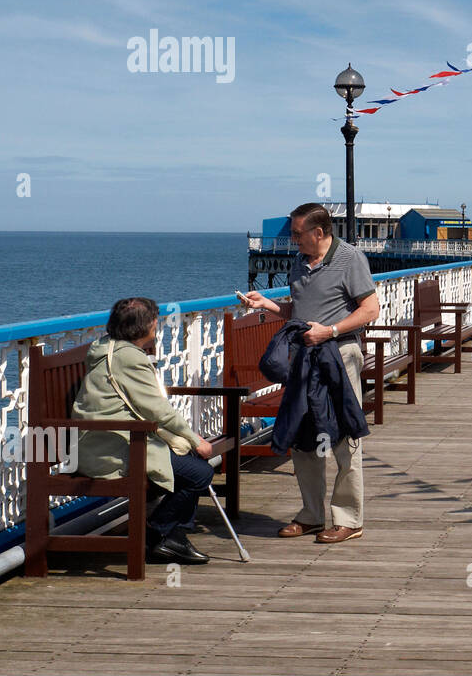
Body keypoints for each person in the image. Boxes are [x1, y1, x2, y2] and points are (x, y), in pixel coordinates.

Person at [242, 203, 379, 544]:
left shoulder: (350, 259)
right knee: (304, 438)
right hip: (304, 358)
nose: (292, 240)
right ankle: (312, 515)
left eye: (298, 234)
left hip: (339, 353)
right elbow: (299, 311)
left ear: (319, 233)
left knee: (345, 437)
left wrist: (330, 331)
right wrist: (268, 305)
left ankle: (349, 519)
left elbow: (371, 309)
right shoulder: (298, 263)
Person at [73, 297, 217, 564]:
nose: (157, 327)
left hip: (102, 440)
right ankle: (156, 534)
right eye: (155, 322)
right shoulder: (128, 358)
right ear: (145, 327)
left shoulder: (107, 347)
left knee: (191, 466)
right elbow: (157, 409)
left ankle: (172, 539)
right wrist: (194, 438)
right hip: (110, 449)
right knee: (200, 473)